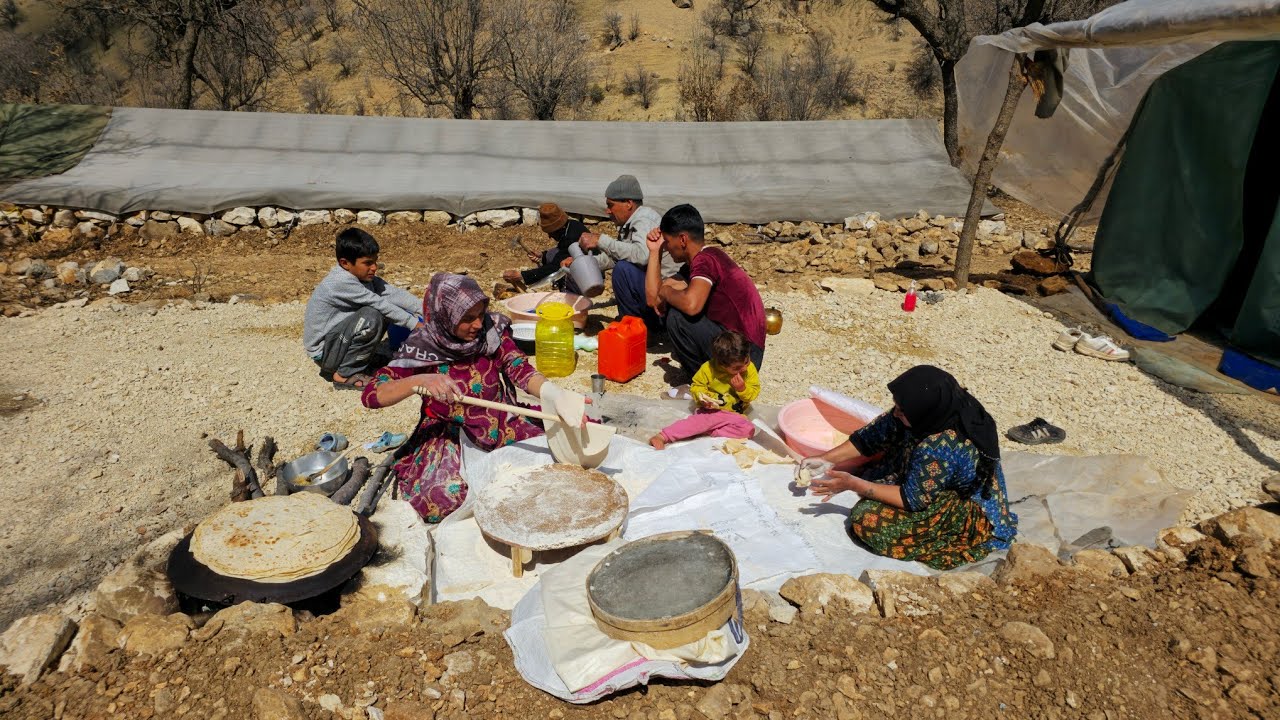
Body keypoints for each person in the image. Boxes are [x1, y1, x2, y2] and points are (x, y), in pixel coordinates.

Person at [360, 273, 586, 522]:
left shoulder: (491, 332)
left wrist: (552, 393)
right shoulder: (423, 347)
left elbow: (518, 366)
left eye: (480, 314)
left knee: (558, 461)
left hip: (500, 422)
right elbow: (372, 395)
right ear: (445, 316)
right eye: (467, 318)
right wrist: (418, 381)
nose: (478, 324)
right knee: (444, 499)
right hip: (450, 435)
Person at [798, 365, 1018, 569]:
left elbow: (912, 500)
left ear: (924, 413)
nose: (895, 412)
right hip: (934, 474)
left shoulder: (940, 446)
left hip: (962, 503)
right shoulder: (935, 409)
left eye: (901, 410)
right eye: (897, 406)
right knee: (878, 463)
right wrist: (827, 459)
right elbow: (871, 437)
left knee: (867, 519)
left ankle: (951, 533)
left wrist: (855, 485)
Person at [644, 204, 766, 376]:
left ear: (683, 240)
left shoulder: (706, 260)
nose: (666, 248)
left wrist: (666, 292)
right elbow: (653, 299)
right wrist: (654, 251)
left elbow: (691, 305)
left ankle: (701, 381)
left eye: (667, 242)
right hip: (740, 347)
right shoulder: (697, 264)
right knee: (676, 301)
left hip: (745, 354)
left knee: (677, 317)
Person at [304, 227, 422, 390]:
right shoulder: (341, 282)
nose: (374, 267)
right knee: (373, 315)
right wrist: (415, 325)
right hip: (324, 352)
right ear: (345, 263)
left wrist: (426, 310)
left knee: (385, 310)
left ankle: (361, 360)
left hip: (338, 341)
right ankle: (344, 374)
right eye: (367, 263)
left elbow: (393, 294)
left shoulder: (362, 276)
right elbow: (380, 304)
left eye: (375, 261)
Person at [575, 174, 681, 328]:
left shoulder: (643, 220)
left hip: (662, 299)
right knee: (623, 266)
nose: (608, 211)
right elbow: (618, 256)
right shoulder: (631, 223)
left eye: (611, 205)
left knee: (623, 270)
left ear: (628, 204)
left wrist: (601, 240)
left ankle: (636, 327)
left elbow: (641, 255)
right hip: (654, 293)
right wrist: (582, 263)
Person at [649, 330, 759, 450]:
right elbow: (697, 386)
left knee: (748, 430)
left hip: (734, 415)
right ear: (722, 364)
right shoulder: (709, 368)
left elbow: (753, 393)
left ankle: (707, 431)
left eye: (747, 361)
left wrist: (742, 389)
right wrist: (703, 398)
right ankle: (663, 436)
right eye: (737, 368)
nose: (744, 368)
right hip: (712, 411)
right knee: (699, 422)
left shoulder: (749, 369)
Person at [501, 203, 600, 294]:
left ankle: (572, 293)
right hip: (583, 261)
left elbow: (555, 267)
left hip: (590, 274)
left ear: (559, 229)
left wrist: (521, 275)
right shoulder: (571, 225)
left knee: (563, 268)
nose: (549, 236)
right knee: (551, 254)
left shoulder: (571, 238)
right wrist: (542, 256)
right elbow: (561, 251)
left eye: (551, 233)